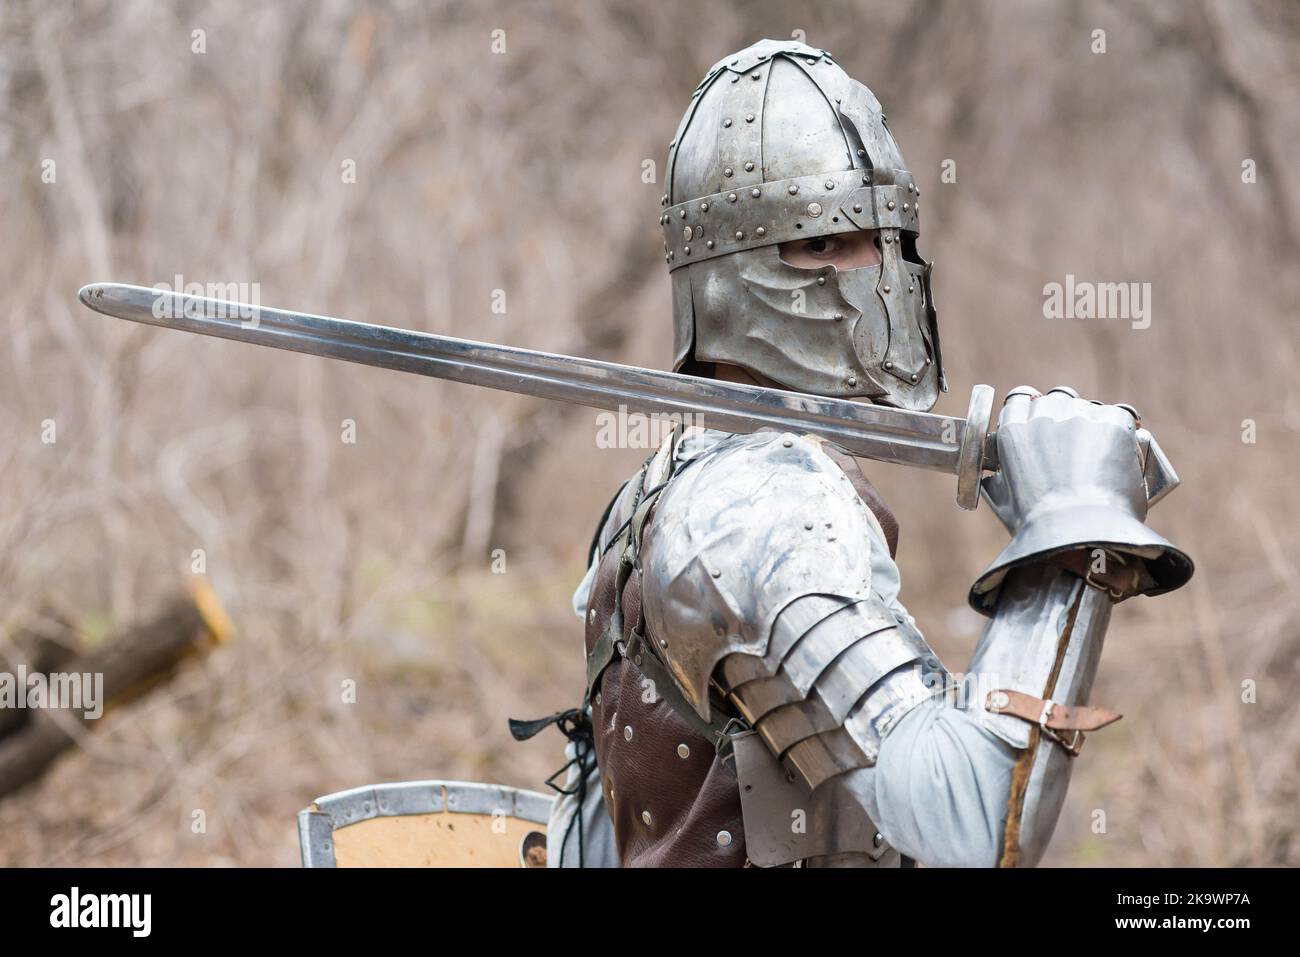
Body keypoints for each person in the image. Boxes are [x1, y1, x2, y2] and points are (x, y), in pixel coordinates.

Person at [532, 38, 1192, 868]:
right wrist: (1072, 539)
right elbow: (976, 824)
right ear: (734, 267)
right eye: (826, 242)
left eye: (884, 236)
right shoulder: (770, 503)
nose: (877, 270)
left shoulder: (657, 491)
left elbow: (595, 834)